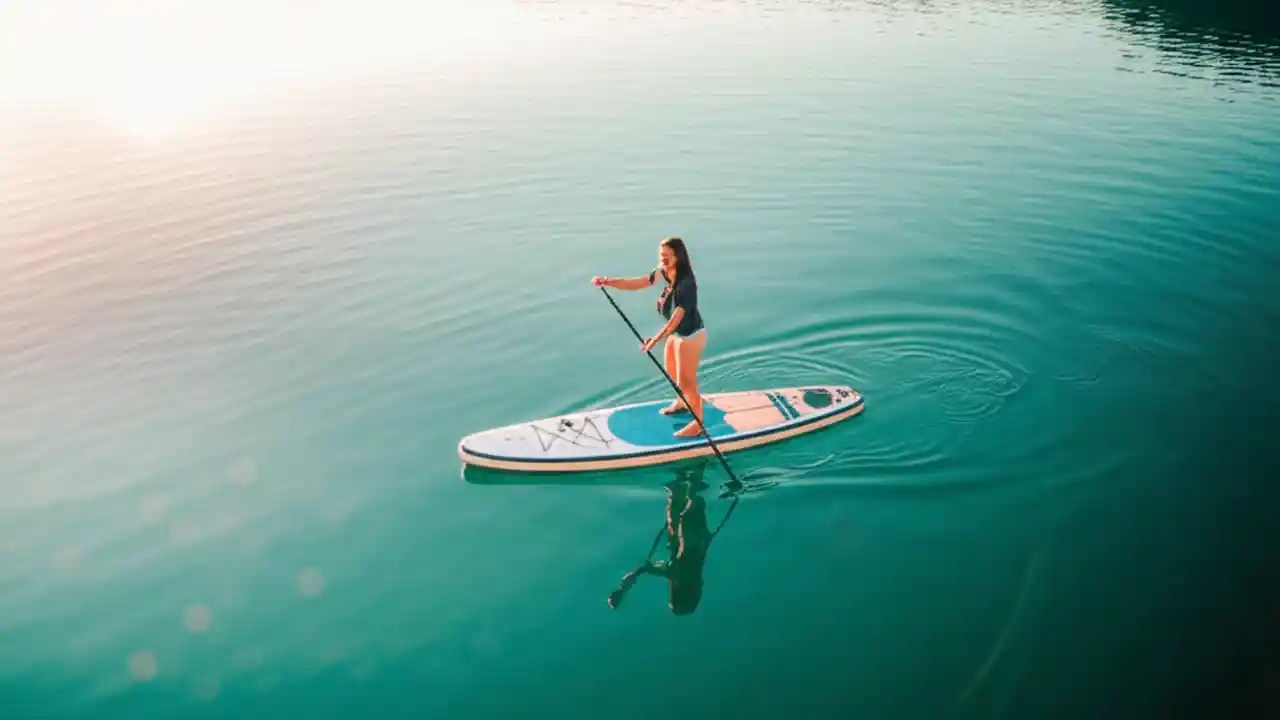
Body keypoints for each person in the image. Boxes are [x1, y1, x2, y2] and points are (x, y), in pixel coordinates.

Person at [592, 237, 707, 438]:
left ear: (677, 257)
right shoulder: (664, 272)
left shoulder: (686, 284)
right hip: (676, 335)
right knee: (672, 373)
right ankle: (681, 403)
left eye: (666, 256)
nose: (662, 259)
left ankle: (698, 425)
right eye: (660, 255)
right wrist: (608, 281)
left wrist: (654, 340)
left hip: (690, 336)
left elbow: (675, 320)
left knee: (687, 383)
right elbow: (638, 283)